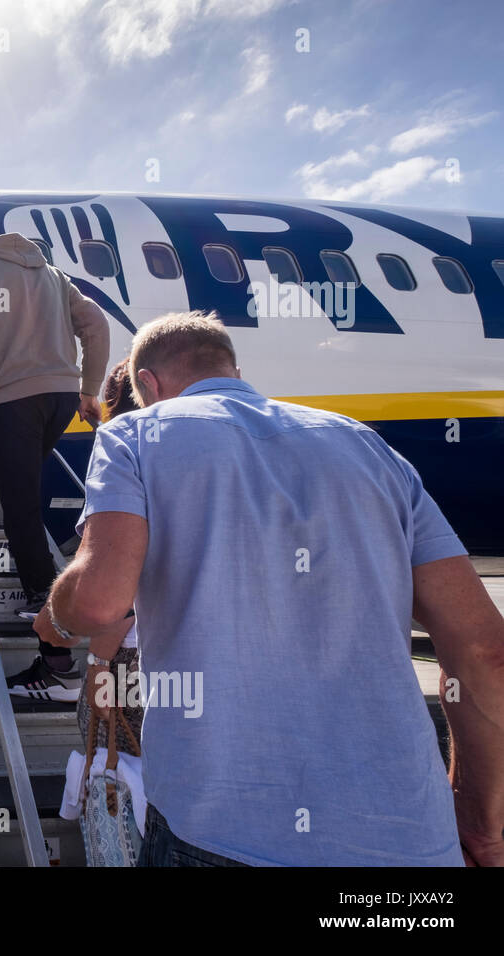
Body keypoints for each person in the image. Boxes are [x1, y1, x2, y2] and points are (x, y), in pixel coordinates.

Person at [36, 310, 504, 866]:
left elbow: (100, 599)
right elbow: (483, 653)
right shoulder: (370, 449)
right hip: (407, 843)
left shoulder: (136, 436)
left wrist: (56, 621)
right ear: (234, 369)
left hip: (222, 835)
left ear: (147, 385)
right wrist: (480, 823)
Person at [0, 227, 109, 701]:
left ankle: (46, 601)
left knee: (18, 500)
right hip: (61, 397)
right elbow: (96, 325)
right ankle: (53, 641)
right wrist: (88, 388)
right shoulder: (56, 276)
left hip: (14, 395)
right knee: (25, 494)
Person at [78, 360, 144, 749]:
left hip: (129, 653)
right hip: (193, 652)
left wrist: (98, 663)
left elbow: (115, 584)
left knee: (112, 758)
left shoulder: (122, 456)